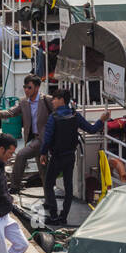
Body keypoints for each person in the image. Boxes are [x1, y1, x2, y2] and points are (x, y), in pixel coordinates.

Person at [39, 88, 106, 226]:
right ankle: (63, 217)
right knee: (68, 187)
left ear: (62, 100)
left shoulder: (53, 117)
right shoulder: (75, 115)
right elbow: (92, 129)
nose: (52, 101)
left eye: (55, 99)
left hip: (56, 156)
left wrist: (43, 153)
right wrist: (101, 120)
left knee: (48, 184)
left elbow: (47, 138)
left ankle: (53, 215)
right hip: (70, 156)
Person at [0, 74, 54, 191]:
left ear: (37, 88)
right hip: (32, 139)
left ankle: (15, 186)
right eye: (25, 87)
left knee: (21, 155)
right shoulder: (23, 102)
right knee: (43, 171)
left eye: (29, 87)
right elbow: (12, 112)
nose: (26, 90)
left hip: (44, 139)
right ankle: (49, 199)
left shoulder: (47, 100)